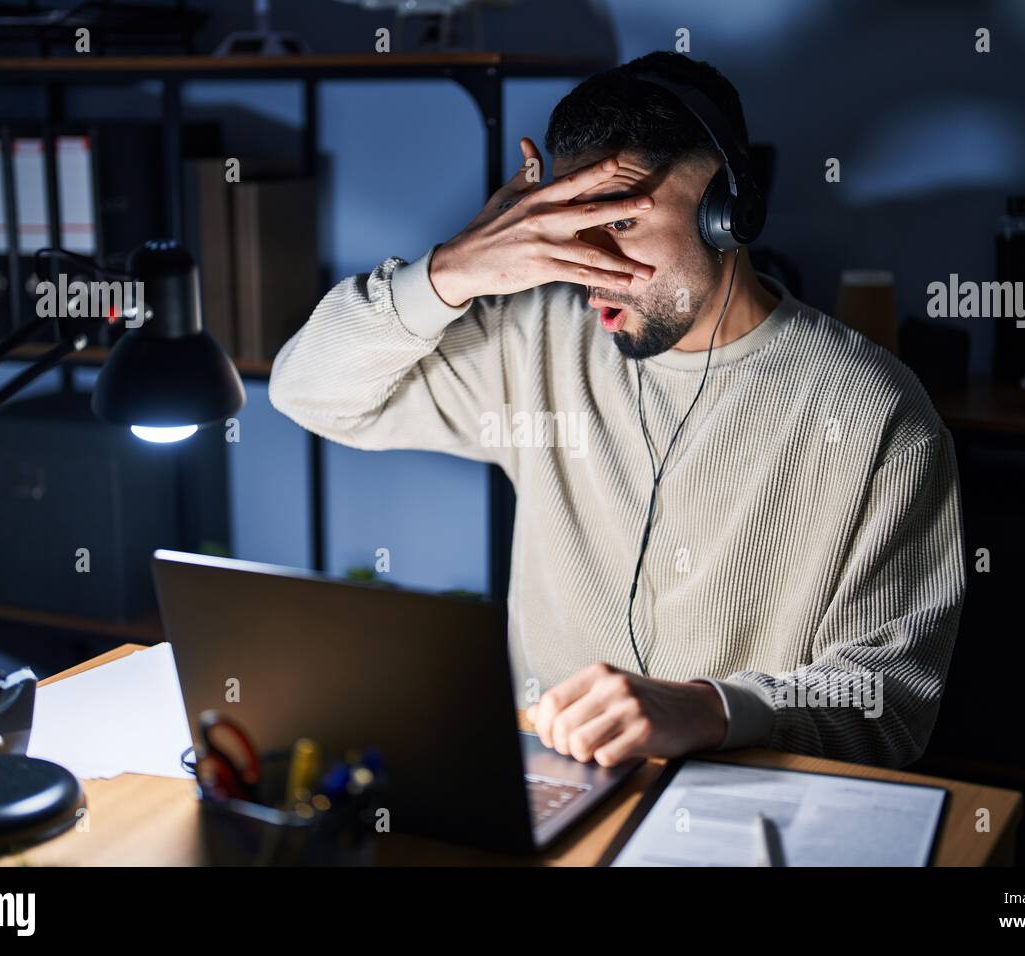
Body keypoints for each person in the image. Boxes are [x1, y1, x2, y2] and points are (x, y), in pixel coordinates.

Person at [270, 51, 965, 770]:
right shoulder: (531, 339)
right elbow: (308, 390)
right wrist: (450, 274)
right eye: (575, 226)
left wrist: (712, 708)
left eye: (623, 221)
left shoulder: (876, 415)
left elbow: (889, 703)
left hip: (744, 803)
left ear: (729, 210)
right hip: (548, 781)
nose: (592, 266)